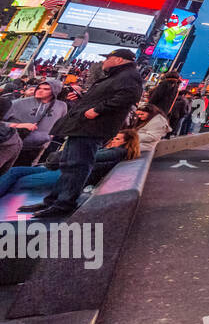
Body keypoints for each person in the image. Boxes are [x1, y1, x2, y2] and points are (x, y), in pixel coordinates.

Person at [17, 49, 143, 219]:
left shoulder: (129, 76)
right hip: (82, 126)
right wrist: (83, 98)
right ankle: (52, 201)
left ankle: (63, 204)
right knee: (68, 164)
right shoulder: (118, 76)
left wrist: (97, 110)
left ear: (119, 60)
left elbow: (128, 97)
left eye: (108, 58)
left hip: (92, 128)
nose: (104, 62)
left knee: (77, 166)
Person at [0, 129, 140, 200]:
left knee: (21, 180)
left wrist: (68, 154)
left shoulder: (117, 152)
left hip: (67, 176)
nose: (113, 140)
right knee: (16, 171)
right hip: (64, 170)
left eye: (117, 139)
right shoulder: (114, 151)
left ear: (127, 142)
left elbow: (87, 157)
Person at [4, 78, 67, 160]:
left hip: (36, 148)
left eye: (46, 89)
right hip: (11, 145)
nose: (40, 91)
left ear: (55, 91)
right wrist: (18, 125)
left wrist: (49, 136)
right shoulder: (18, 103)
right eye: (39, 88)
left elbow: (61, 123)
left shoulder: (61, 106)